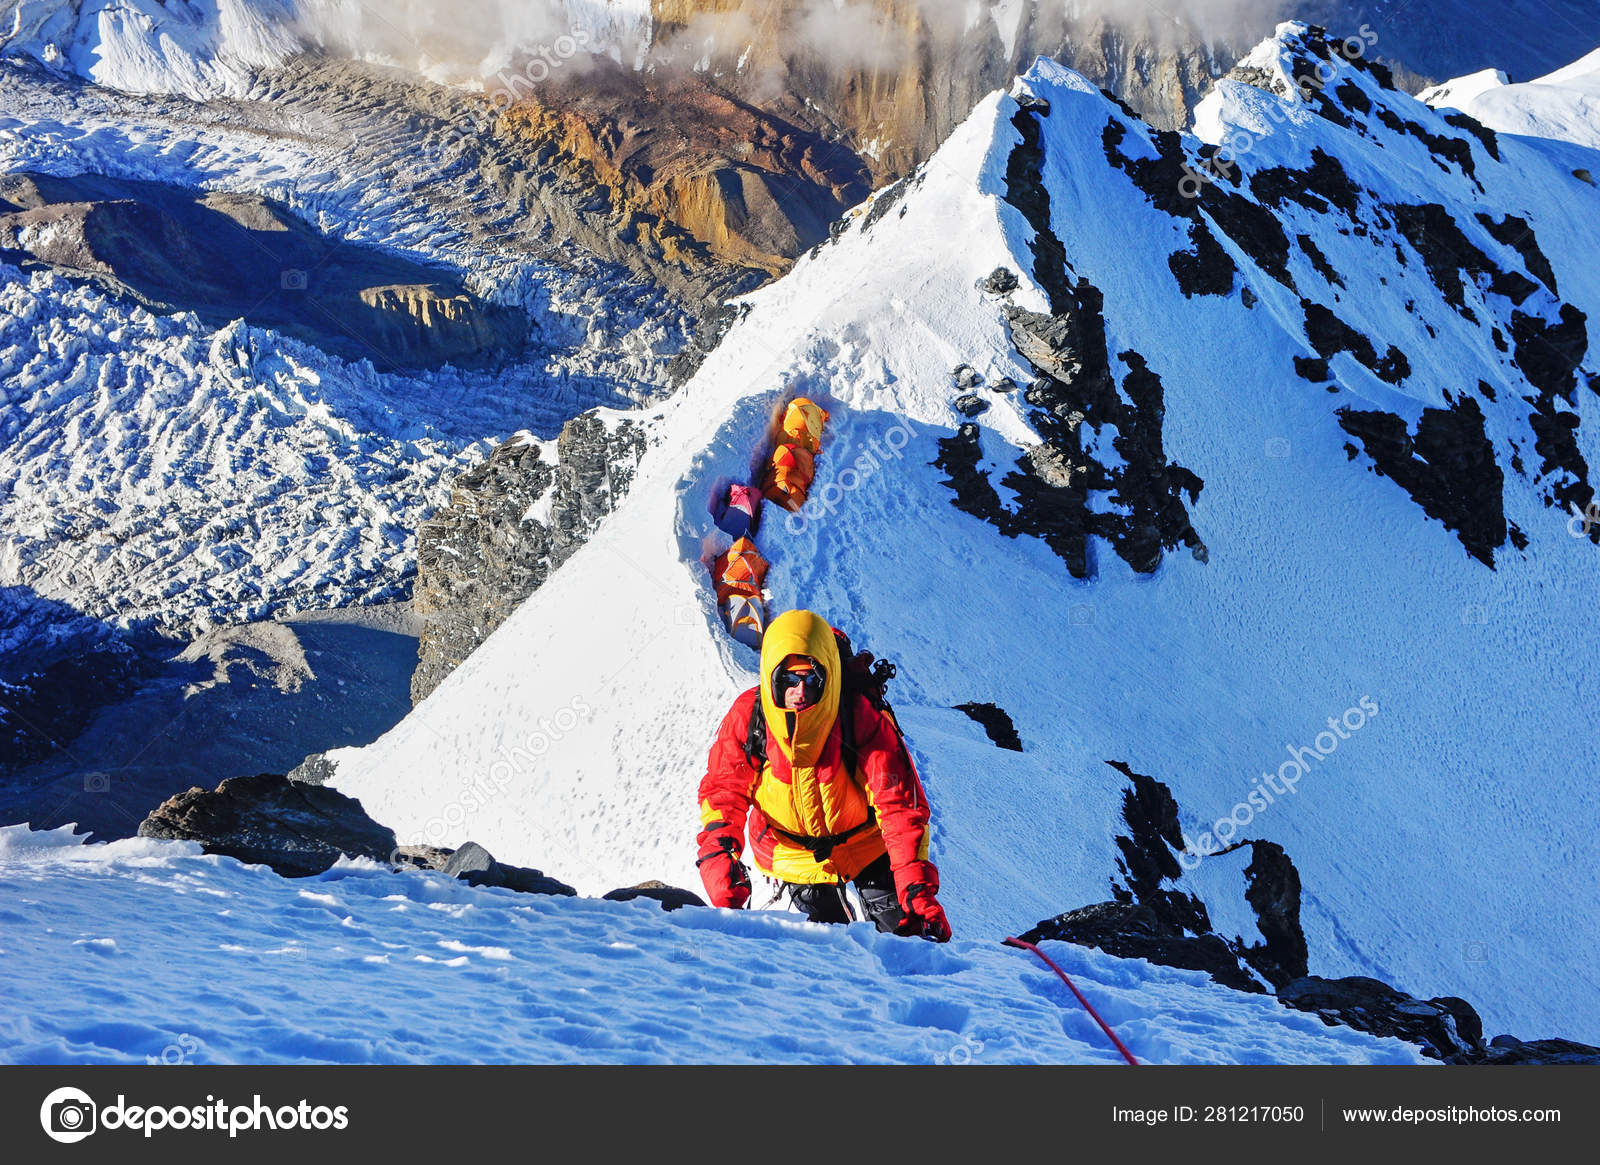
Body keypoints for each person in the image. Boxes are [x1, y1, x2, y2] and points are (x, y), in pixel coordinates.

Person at [695, 608, 951, 941]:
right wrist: (718, 857)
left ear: (827, 678)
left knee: (905, 939)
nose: (800, 691)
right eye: (788, 680)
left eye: (810, 680)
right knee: (827, 954)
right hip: (793, 854)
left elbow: (899, 806)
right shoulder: (749, 716)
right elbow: (723, 791)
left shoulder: (858, 714)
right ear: (771, 676)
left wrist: (915, 887)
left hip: (867, 845)